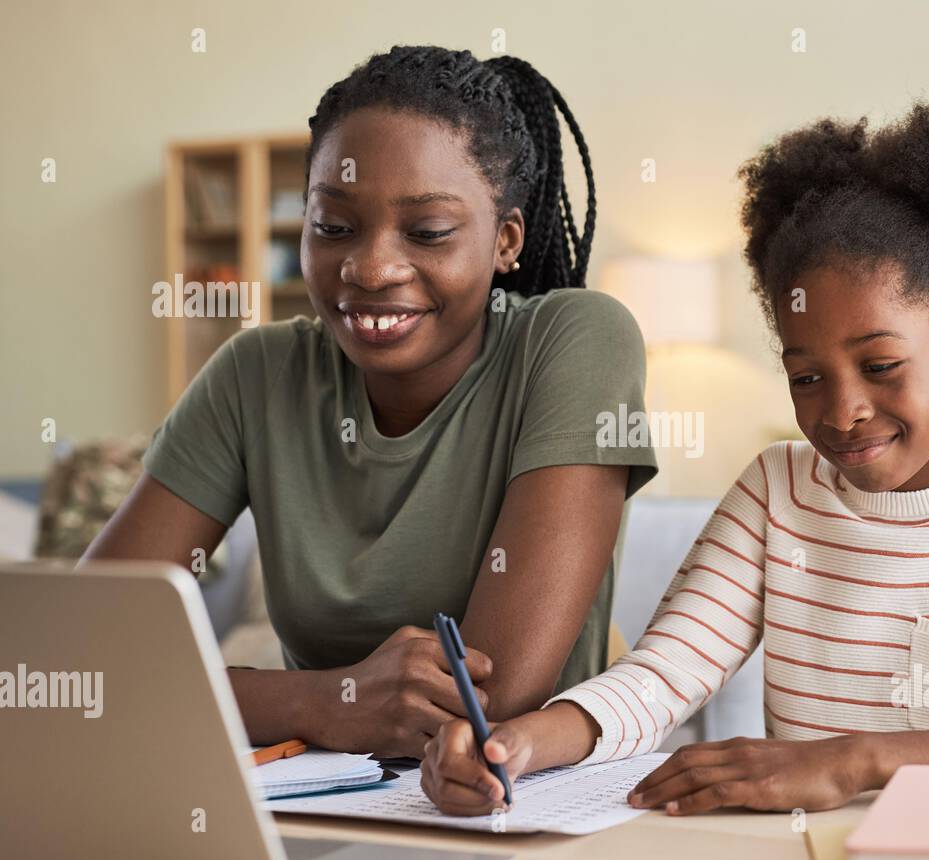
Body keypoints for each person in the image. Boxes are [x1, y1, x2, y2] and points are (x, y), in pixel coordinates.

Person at [422, 87, 929, 816]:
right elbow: (661, 678)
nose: (842, 411)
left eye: (880, 367)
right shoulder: (779, 491)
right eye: (806, 376)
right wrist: (518, 744)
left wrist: (857, 759)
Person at [82, 46, 658, 758]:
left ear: (506, 239)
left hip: (518, 809)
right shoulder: (255, 374)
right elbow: (89, 654)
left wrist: (248, 697)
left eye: (427, 232)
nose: (370, 267)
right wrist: (327, 702)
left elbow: (490, 691)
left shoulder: (577, 341)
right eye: (334, 227)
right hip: (312, 801)